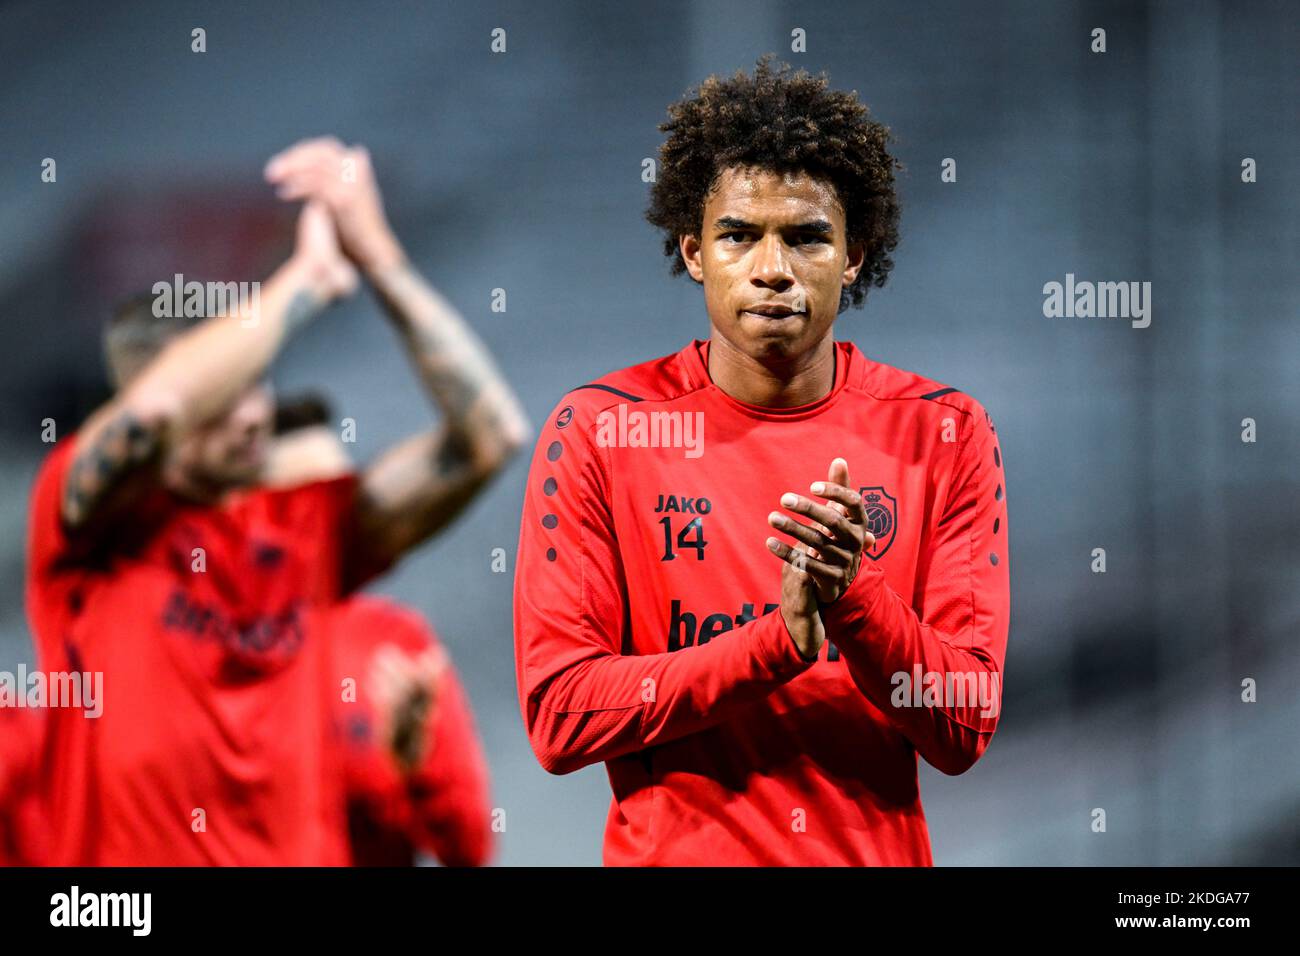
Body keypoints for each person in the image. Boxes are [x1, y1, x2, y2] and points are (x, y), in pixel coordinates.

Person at [513, 55, 1010, 865]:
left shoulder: (943, 433)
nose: (772, 269)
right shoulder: (603, 430)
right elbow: (561, 718)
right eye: (739, 235)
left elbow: (963, 724)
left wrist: (857, 599)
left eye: (808, 236)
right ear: (695, 251)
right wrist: (777, 642)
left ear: (855, 256)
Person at [25, 138, 529, 865]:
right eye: (228, 396)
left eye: (260, 385)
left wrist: (380, 262)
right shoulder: (90, 528)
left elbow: (491, 436)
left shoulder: (302, 531)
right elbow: (157, 410)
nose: (256, 414)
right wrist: (306, 282)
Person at [265, 397, 494, 867]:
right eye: (301, 500)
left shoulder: (395, 640)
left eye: (340, 495)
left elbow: (469, 847)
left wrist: (418, 766)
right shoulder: (210, 640)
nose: (324, 517)